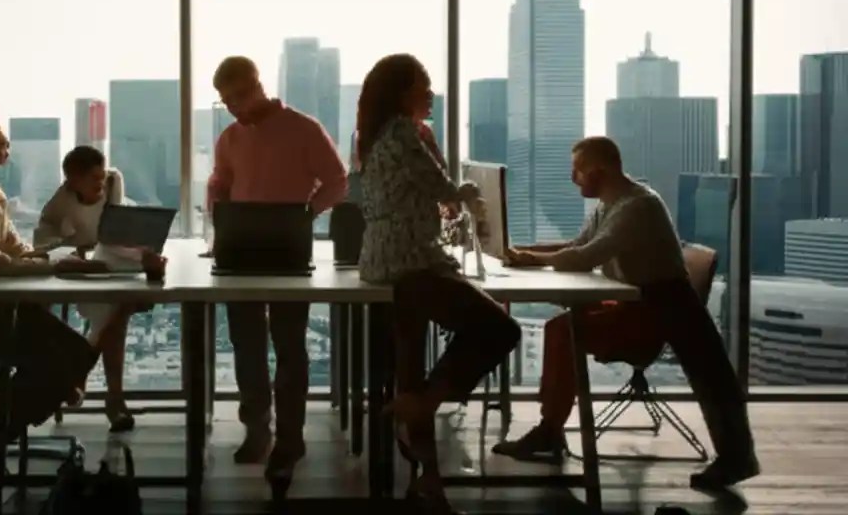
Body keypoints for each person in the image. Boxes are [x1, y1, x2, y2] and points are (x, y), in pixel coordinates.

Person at [492, 136, 760, 490]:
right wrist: (522, 252)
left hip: (659, 310)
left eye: (578, 171)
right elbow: (576, 246)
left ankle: (549, 432)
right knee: (562, 327)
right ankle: (549, 431)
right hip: (641, 303)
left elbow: (586, 257)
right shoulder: (609, 204)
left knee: (563, 331)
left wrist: (531, 260)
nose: (573, 178)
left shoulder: (638, 207)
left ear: (599, 172)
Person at [0, 112, 128, 482]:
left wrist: (51, 256)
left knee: (78, 356)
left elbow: (13, 246)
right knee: (58, 368)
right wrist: (55, 268)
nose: (7, 146)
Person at [356, 54, 521, 513]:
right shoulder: (403, 132)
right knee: (501, 330)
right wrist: (472, 193)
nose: (430, 93)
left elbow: (414, 192)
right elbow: (444, 188)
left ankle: (429, 480)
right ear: (401, 91)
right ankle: (427, 403)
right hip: (412, 261)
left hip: (385, 260)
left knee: (411, 370)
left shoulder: (371, 136)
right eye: (422, 85)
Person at [206, 55, 349, 477]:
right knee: (246, 343)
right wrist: (216, 201)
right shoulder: (229, 138)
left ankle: (290, 435)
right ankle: (257, 430)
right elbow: (222, 180)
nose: (233, 107)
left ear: (257, 85)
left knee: (289, 345)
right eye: (225, 101)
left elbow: (338, 180)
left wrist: (307, 214)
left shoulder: (304, 129)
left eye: (238, 96)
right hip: (240, 248)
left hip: (289, 248)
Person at [33, 145, 141, 432]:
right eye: (93, 179)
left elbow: (117, 229)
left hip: (118, 263)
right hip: (89, 274)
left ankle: (80, 372)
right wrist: (72, 247)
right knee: (118, 312)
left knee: (117, 305)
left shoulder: (113, 183)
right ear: (72, 181)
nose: (100, 185)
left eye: (101, 176)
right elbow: (43, 239)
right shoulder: (61, 203)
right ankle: (114, 400)